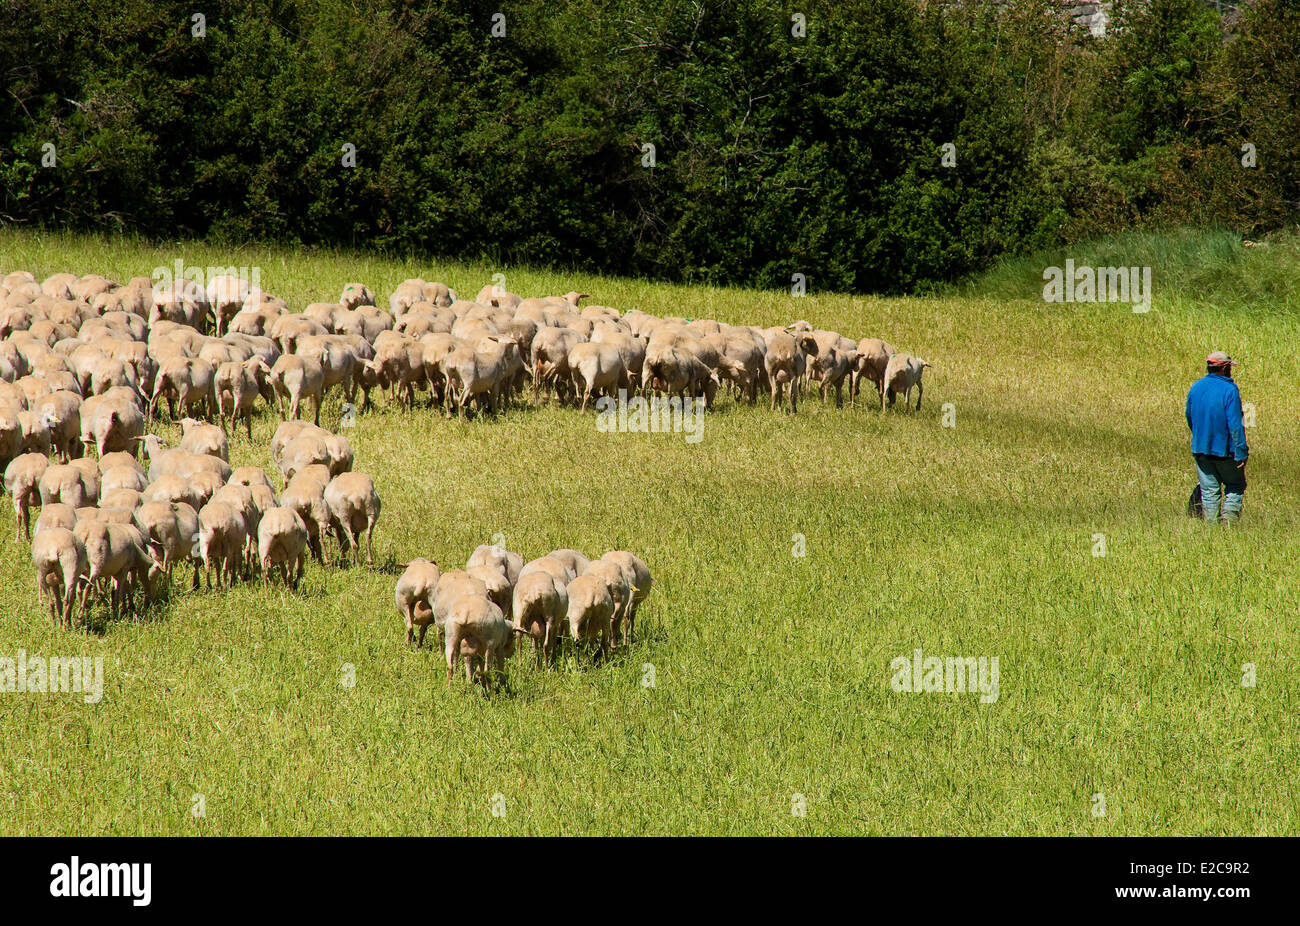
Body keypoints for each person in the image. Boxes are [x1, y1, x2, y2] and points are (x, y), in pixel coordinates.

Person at [1185, 350, 1248, 523]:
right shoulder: (1230, 390)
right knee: (1235, 486)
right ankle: (1228, 524)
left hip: (1200, 449)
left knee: (1209, 491)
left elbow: (1189, 416)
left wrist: (1199, 437)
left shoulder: (1196, 387)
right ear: (1225, 367)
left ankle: (1212, 529)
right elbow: (1235, 424)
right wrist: (1241, 450)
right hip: (1225, 451)